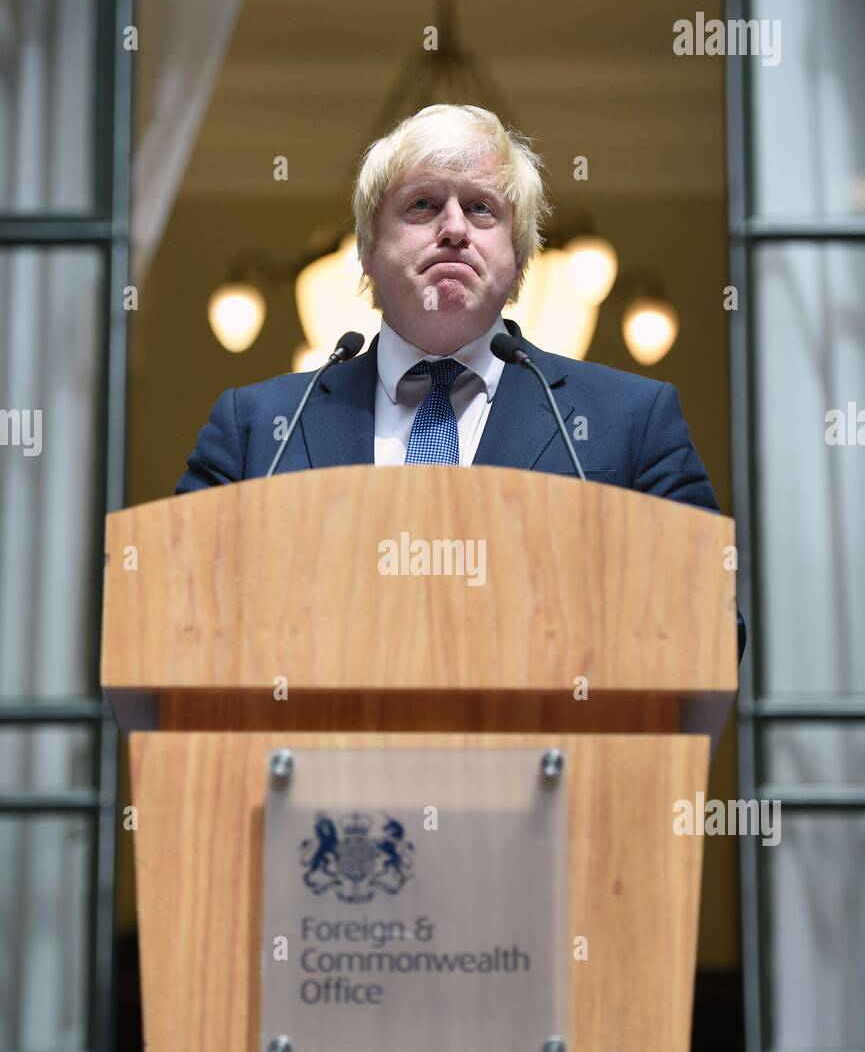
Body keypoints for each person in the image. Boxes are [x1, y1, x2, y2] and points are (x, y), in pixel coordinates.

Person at [176, 103, 746, 661]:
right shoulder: (257, 429)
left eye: (480, 209)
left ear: (519, 257)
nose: (453, 229)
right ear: (368, 250)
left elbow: (709, 627)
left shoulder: (631, 420)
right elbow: (174, 616)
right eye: (422, 205)